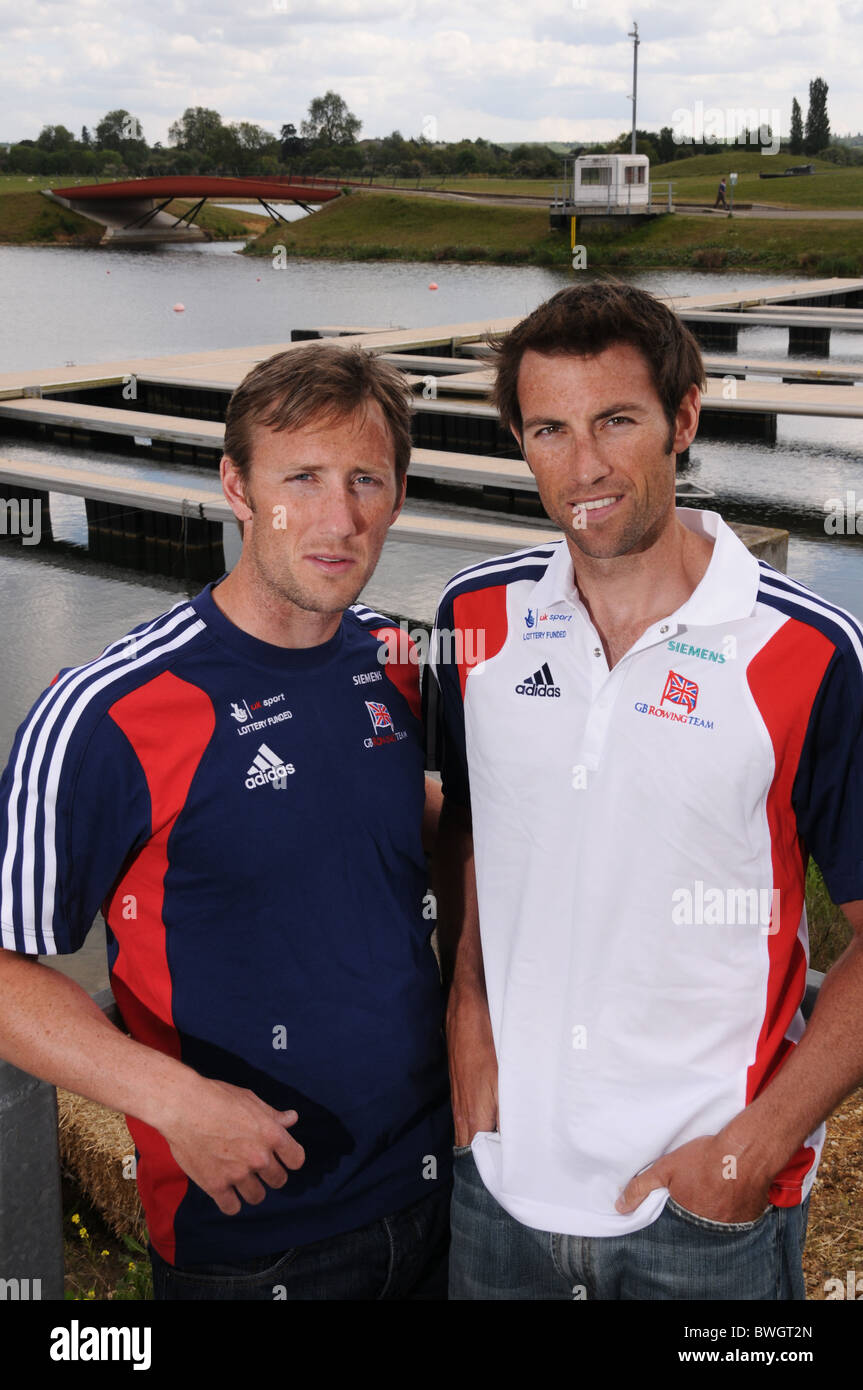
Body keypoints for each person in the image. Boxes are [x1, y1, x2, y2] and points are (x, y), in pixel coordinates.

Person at [424, 281, 863, 1301]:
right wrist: (467, 1011)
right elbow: (474, 829)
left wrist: (753, 1144)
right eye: (547, 428)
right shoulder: (470, 616)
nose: (582, 466)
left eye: (615, 420)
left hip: (705, 1211)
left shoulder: (809, 651)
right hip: (501, 1183)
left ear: (684, 419)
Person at [0, 341, 452, 1300]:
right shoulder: (107, 710)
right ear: (236, 487)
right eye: (301, 479)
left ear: (400, 494)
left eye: (365, 479)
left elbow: (393, 845)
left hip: (439, 1190)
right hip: (253, 1243)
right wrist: (168, 1098)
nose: (339, 520)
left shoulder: (403, 662)